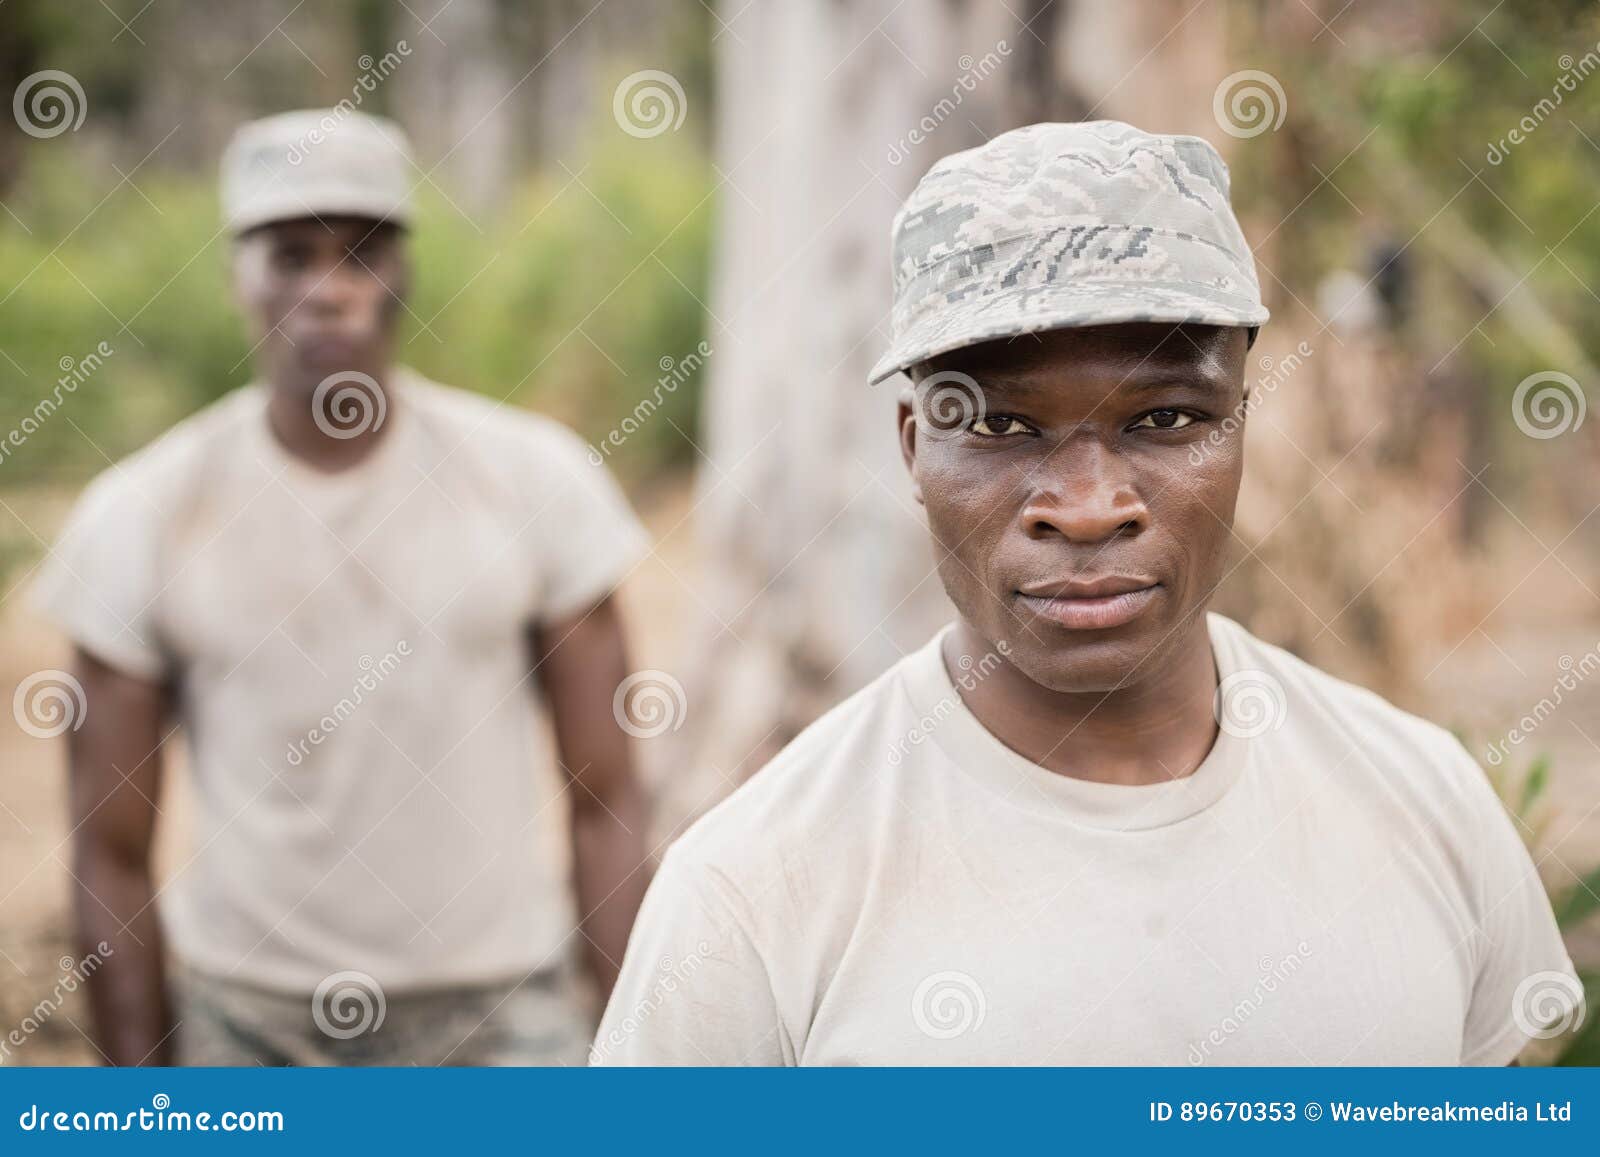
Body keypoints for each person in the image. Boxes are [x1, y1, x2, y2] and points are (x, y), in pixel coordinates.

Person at [591, 121, 1579, 1065]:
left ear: (1238, 424)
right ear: (912, 449)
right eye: (1002, 427)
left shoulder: (1422, 799)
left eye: (1163, 416)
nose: (1089, 505)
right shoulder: (750, 892)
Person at [33, 109, 652, 1066]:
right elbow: (111, 856)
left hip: (499, 1021)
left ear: (405, 273)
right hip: (252, 1025)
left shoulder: (537, 484)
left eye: (361, 254)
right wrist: (146, 1108)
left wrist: (634, 1061)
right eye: (291, 256)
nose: (328, 291)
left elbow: (606, 800)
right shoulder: (145, 514)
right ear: (240, 275)